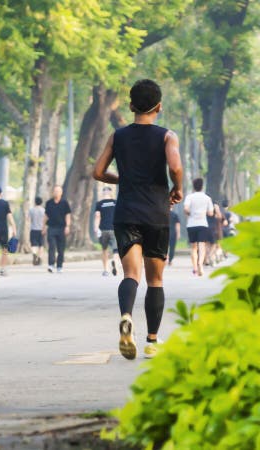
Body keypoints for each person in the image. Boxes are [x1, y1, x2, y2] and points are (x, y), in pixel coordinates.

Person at [93, 79, 184, 360]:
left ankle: (126, 316)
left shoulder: (117, 136)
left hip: (126, 213)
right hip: (156, 213)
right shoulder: (167, 136)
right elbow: (175, 166)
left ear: (131, 106)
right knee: (155, 280)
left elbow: (98, 172)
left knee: (131, 274)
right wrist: (178, 189)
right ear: (159, 106)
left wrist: (122, 179)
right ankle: (152, 341)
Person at [183, 177, 214, 277]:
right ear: (202, 186)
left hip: (191, 224)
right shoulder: (207, 198)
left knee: (193, 247)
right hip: (202, 224)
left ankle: (195, 268)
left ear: (194, 186)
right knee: (202, 246)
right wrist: (202, 212)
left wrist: (192, 213)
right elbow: (210, 213)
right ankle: (200, 263)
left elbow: (186, 209)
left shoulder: (189, 197)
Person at [43, 186, 71, 273]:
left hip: (62, 228)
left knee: (61, 248)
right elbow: (46, 216)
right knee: (51, 246)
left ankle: (59, 266)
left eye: (58, 191)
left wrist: (67, 226)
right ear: (53, 192)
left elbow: (68, 215)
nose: (56, 193)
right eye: (55, 191)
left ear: (61, 193)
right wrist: (43, 227)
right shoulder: (49, 203)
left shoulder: (64, 203)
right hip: (51, 228)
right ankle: (51, 264)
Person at [94, 187, 118, 277]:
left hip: (103, 229)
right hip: (114, 229)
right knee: (116, 250)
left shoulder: (99, 204)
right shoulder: (115, 203)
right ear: (111, 193)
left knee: (104, 250)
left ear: (103, 193)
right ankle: (115, 261)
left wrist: (96, 228)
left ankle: (106, 270)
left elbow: (97, 216)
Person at [28, 196, 45, 266]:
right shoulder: (43, 210)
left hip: (33, 229)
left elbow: (28, 219)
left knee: (33, 244)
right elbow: (46, 220)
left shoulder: (31, 210)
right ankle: (40, 258)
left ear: (35, 202)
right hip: (41, 229)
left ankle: (34, 254)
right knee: (41, 245)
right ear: (41, 202)